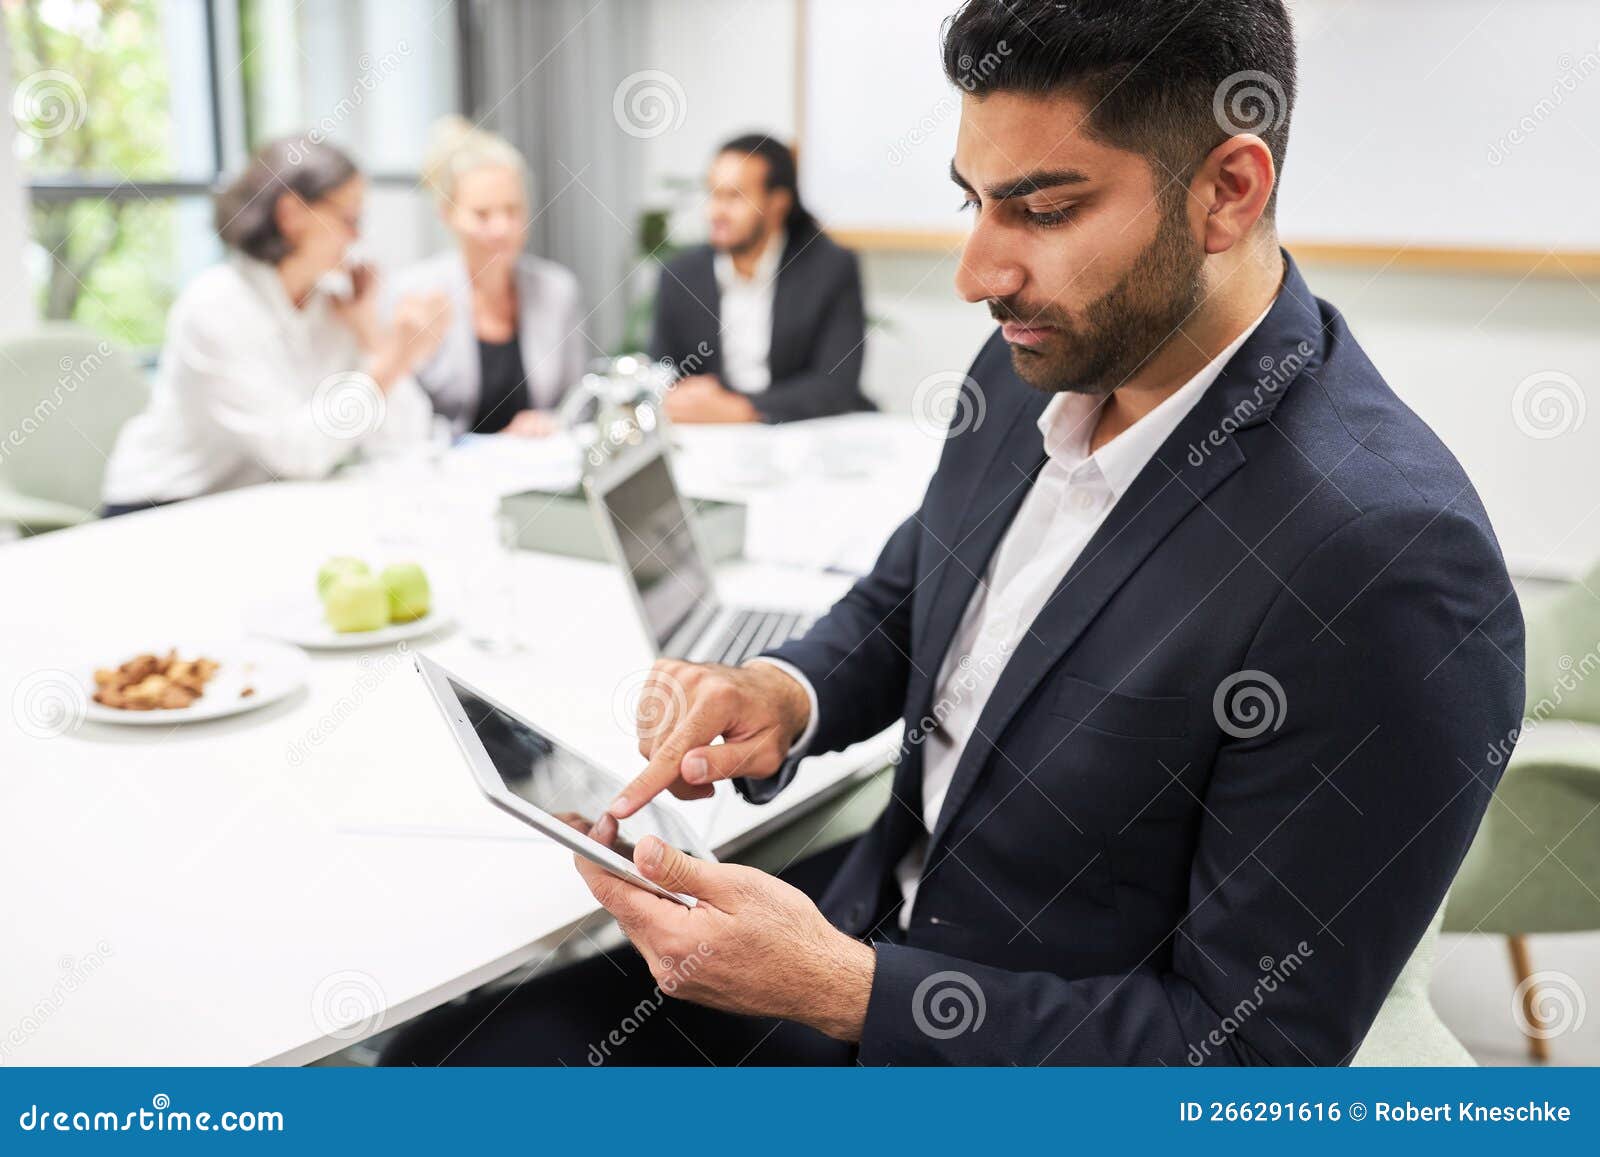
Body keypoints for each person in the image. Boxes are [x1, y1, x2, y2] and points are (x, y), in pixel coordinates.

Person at [382, 0, 1524, 1066]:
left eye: (1044, 208)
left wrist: (842, 987)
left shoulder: (1385, 559)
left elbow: (1240, 1060)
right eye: (971, 200)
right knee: (443, 1045)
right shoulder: (1040, 354)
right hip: (872, 918)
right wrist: (788, 690)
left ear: (1227, 188)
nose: (978, 271)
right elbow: (921, 580)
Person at [101, 139, 449, 515]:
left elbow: (404, 439)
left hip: (258, 502)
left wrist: (371, 337)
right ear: (292, 214)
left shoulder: (334, 301)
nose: (356, 238)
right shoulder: (216, 305)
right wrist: (394, 359)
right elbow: (298, 454)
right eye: (349, 220)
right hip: (165, 504)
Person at [649, 134, 873, 424]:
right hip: (709, 438)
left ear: (777, 204)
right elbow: (662, 374)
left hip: (799, 431)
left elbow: (835, 385)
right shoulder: (679, 275)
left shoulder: (830, 268)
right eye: (713, 194)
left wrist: (743, 410)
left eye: (733, 197)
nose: (716, 211)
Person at [386, 117, 587, 438]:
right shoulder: (416, 293)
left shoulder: (556, 289)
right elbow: (400, 414)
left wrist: (551, 423)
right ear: (447, 214)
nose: (501, 229)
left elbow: (578, 403)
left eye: (512, 210)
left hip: (536, 470)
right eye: (482, 214)